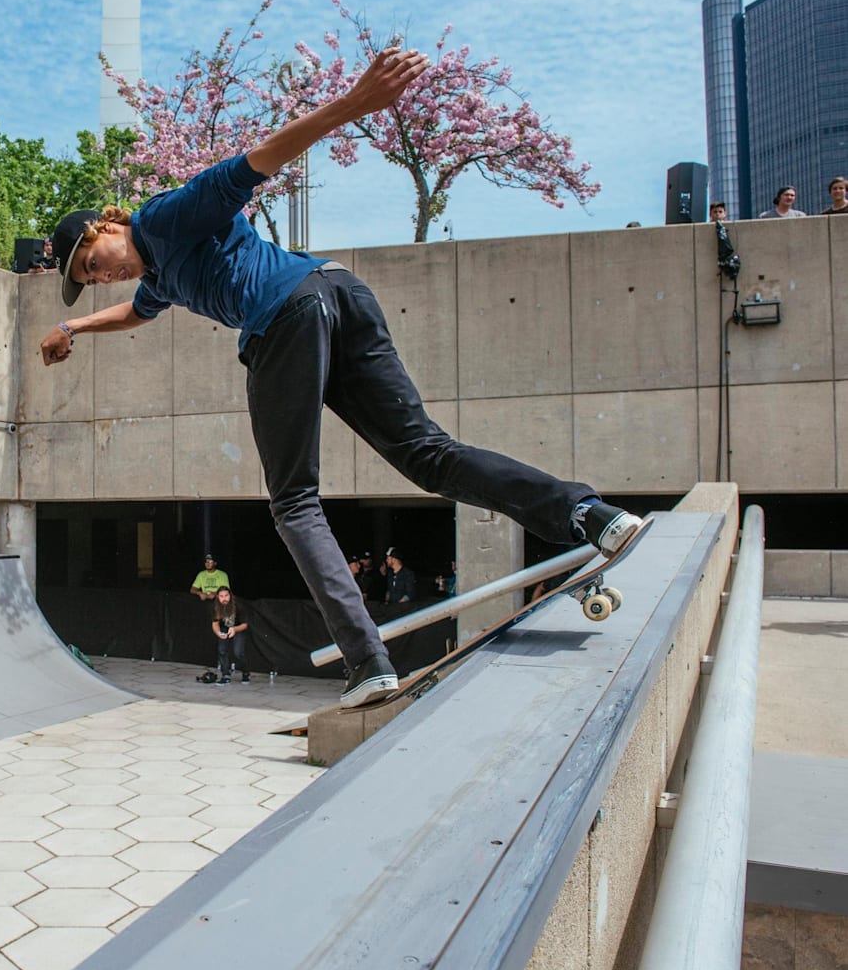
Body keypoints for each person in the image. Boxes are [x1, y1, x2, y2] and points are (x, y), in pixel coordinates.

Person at [37, 47, 642, 708]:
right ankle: (590, 514)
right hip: (339, 293)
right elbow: (138, 313)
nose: (103, 276)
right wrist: (75, 330)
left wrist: (357, 102)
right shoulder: (161, 274)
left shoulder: (163, 216)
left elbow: (258, 160)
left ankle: (367, 662)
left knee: (293, 502)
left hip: (286, 319)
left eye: (94, 260)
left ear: (107, 225)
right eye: (92, 279)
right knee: (427, 455)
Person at [211, 587, 250, 684]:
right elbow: (215, 623)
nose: (224, 599)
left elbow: (245, 624)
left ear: (230, 596)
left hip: (238, 627)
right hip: (224, 628)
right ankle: (225, 674)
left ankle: (245, 672)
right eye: (221, 596)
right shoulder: (216, 606)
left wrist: (234, 629)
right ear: (218, 597)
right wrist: (218, 633)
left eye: (226, 596)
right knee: (222, 650)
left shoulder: (239, 605)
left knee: (238, 652)